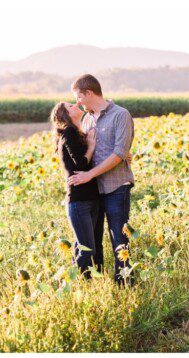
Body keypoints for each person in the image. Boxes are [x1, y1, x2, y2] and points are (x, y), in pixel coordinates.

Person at [67, 74, 135, 285]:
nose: (77, 101)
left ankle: (125, 284)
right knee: (93, 242)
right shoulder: (87, 119)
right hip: (93, 191)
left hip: (116, 187)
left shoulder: (120, 115)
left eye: (78, 96)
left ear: (89, 93)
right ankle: (97, 283)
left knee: (119, 239)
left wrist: (89, 175)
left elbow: (119, 153)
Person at [51, 102, 100, 278]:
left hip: (90, 198)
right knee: (88, 250)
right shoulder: (69, 132)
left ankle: (82, 285)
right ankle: (72, 282)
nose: (76, 104)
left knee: (81, 247)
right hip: (79, 201)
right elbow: (80, 164)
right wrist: (92, 146)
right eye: (70, 105)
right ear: (66, 115)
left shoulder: (77, 133)